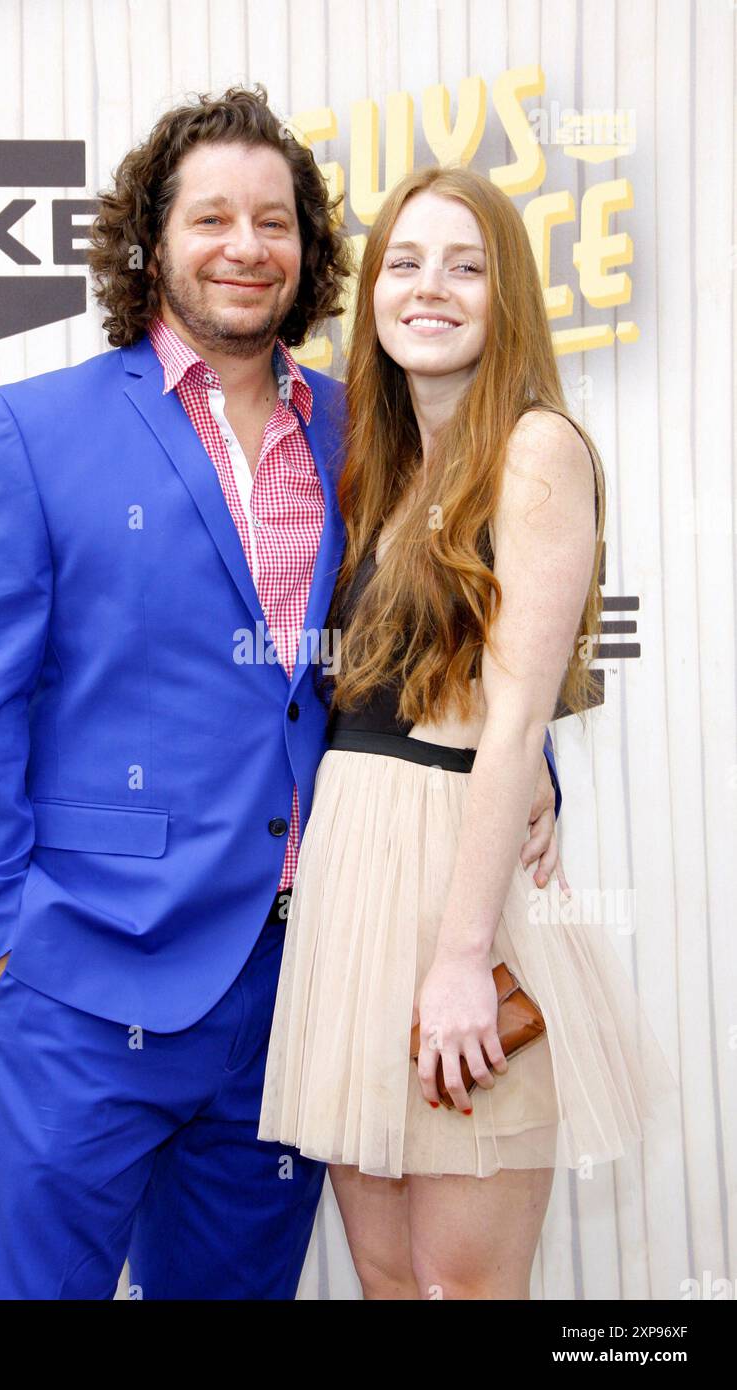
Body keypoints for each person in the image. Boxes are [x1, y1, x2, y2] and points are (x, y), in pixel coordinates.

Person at [0, 87, 561, 1301]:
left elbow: (444, 634)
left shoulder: (364, 434)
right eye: (212, 217)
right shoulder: (32, 433)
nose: (246, 245)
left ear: (310, 250)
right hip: (85, 979)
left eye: (275, 220)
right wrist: (2, 945)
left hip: (300, 986)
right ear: (151, 239)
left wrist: (532, 774)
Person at [257, 162, 679, 1301]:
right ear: (372, 291)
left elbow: (511, 725)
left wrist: (459, 958)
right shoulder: (381, 470)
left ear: (509, 297)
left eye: (466, 264)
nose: (429, 287)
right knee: (393, 1284)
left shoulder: (538, 449)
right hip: (352, 890)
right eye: (404, 261)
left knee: (466, 1293)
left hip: (456, 894)